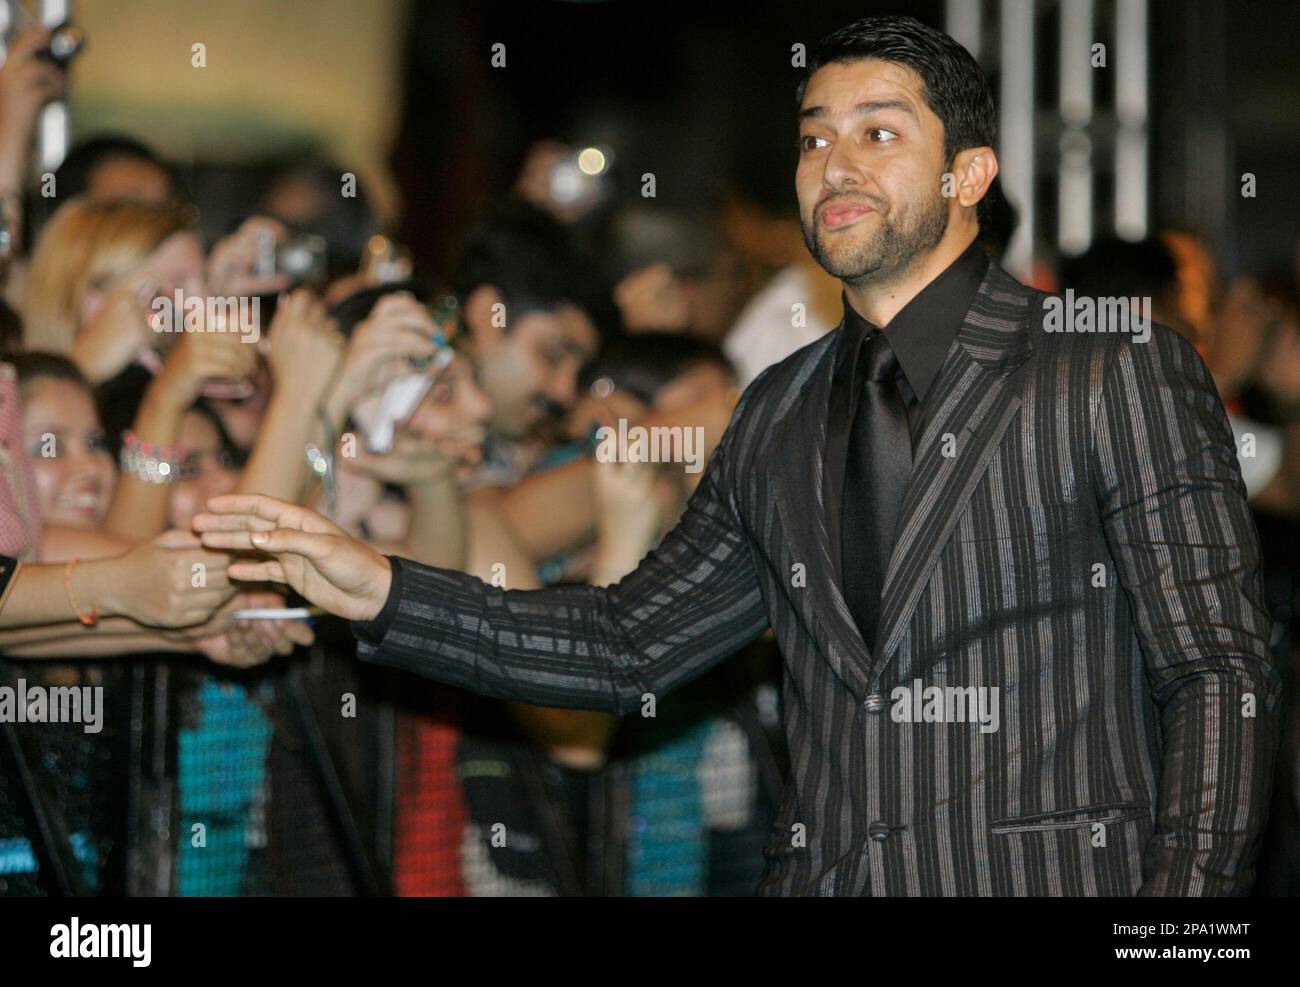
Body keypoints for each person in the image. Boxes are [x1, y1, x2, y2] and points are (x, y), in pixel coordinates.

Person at [194, 15, 1281, 896]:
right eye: (813, 136)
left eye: (878, 132)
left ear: (969, 175)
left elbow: (1215, 671)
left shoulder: (1107, 368)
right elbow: (627, 645)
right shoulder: (779, 412)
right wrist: (379, 589)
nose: (832, 162)